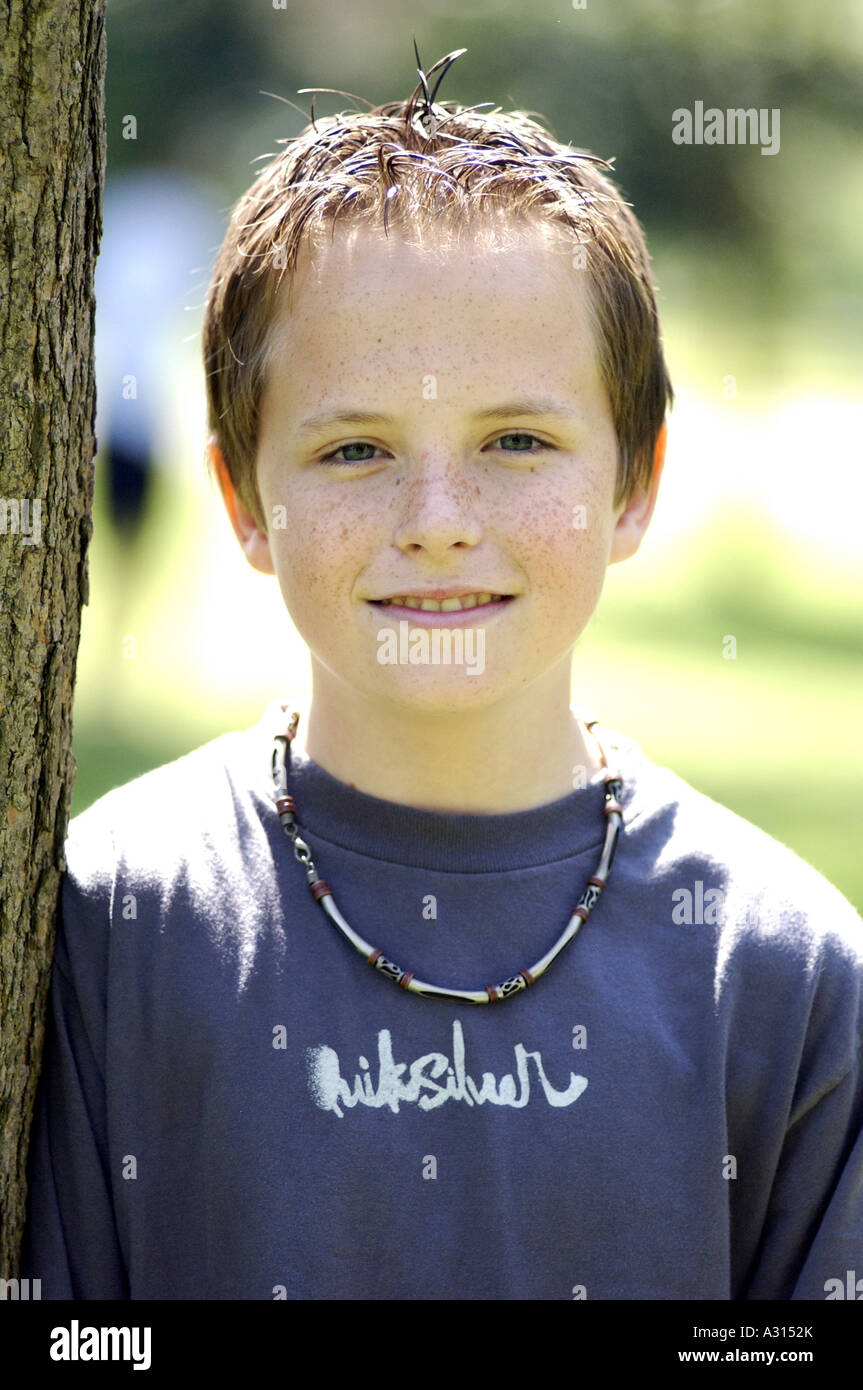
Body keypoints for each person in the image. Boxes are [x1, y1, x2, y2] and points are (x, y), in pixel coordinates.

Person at [20, 51, 863, 1300]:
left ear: (633, 482)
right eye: (355, 447)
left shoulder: (780, 965)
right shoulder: (114, 918)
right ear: (244, 503)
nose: (437, 519)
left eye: (515, 441)